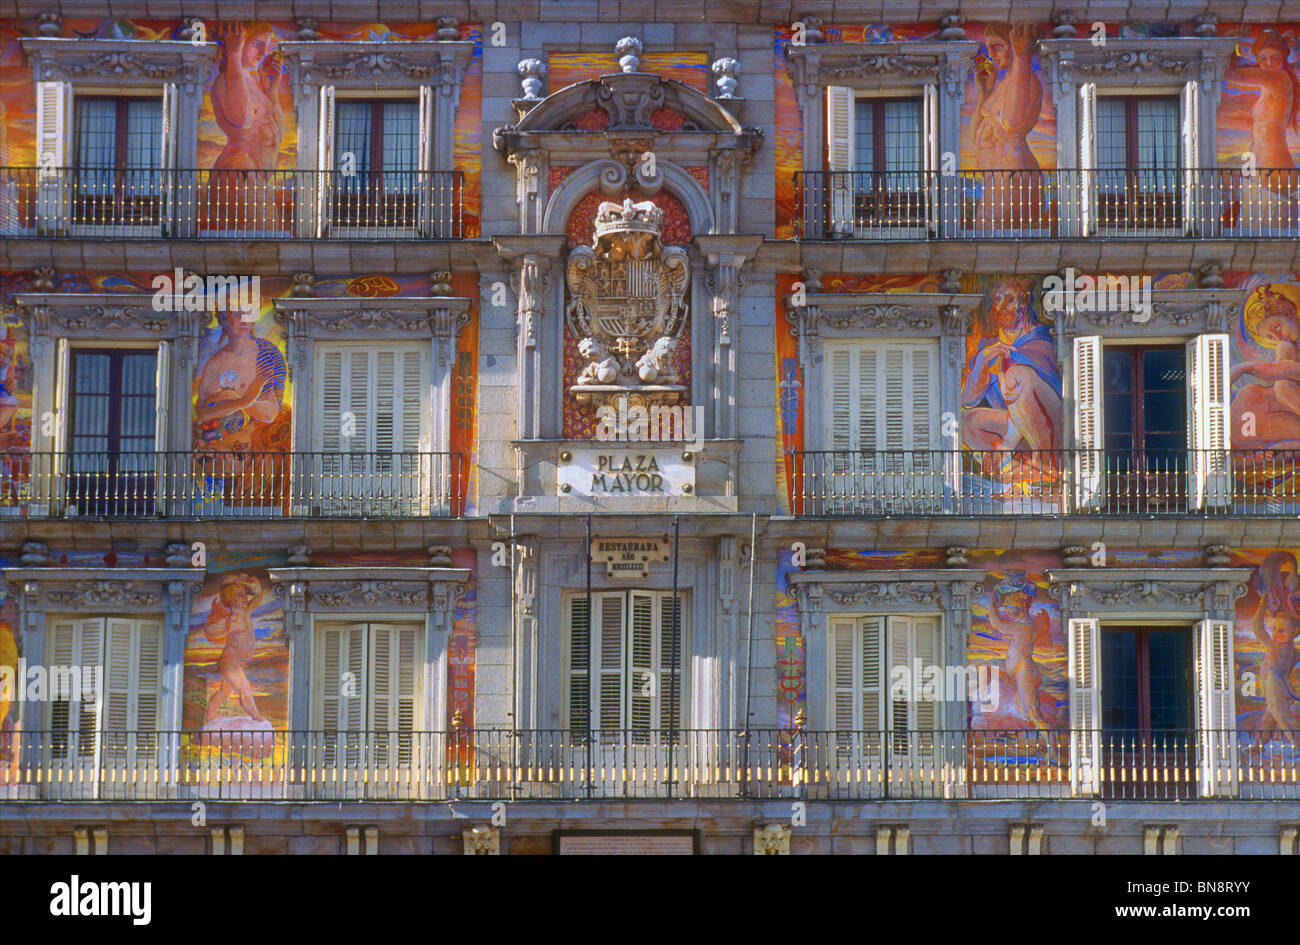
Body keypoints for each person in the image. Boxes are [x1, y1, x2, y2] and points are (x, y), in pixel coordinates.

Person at [962, 278, 1062, 495]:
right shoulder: (991, 345)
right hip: (1015, 431)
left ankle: (1045, 464)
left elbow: (1030, 395)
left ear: (1024, 304)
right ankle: (1009, 475)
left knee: (1019, 375)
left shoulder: (1043, 339)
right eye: (997, 300)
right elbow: (967, 400)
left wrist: (1006, 444)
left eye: (1009, 300)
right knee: (967, 421)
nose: (1001, 308)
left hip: (1051, 430)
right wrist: (982, 361)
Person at [207, 24, 285, 232]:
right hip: (239, 174)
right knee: (263, 247)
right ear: (238, 41)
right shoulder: (226, 80)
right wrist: (233, 53)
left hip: (254, 178)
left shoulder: (249, 80)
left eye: (266, 45)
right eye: (257, 44)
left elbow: (279, 133)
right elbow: (242, 121)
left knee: (268, 243)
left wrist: (271, 90)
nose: (264, 52)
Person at [972, 23, 1045, 231]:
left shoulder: (1027, 80)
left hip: (1014, 173)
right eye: (989, 49)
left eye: (998, 47)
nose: (991, 54)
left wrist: (1022, 57)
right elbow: (978, 135)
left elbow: (1011, 123)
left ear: (1014, 44)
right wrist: (984, 93)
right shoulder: (1002, 85)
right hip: (999, 175)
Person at [193, 308, 286, 453]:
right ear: (224, 320)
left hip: (247, 451)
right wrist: (243, 401)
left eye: (248, 314)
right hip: (212, 450)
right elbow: (202, 413)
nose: (244, 320)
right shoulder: (214, 362)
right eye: (237, 315)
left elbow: (270, 413)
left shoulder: (266, 353)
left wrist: (233, 399)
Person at [1225, 30, 1300, 197]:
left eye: (1275, 57)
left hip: (1275, 168)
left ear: (1283, 57)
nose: (1268, 63)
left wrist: (1226, 48)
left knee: (1266, 222)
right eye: (1263, 58)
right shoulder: (1271, 81)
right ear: (1257, 59)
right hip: (1267, 167)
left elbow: (1231, 74)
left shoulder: (1277, 78)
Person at [1232, 285, 1300, 448]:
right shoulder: (1286, 347)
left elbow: (1282, 380)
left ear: (1288, 311)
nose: (1278, 336)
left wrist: (1245, 368)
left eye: (1277, 327)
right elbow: (1283, 385)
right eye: (1270, 336)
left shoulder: (1287, 347)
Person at [987, 572, 1052, 730]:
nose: (1009, 615)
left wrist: (992, 602)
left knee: (1032, 713)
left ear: (1020, 608)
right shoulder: (1023, 625)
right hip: (1017, 672)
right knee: (986, 671)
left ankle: (1052, 748)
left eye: (1012, 611)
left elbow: (997, 624)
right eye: (1008, 612)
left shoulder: (1025, 627)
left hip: (1023, 671)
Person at [202, 573, 267, 724]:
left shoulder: (247, 611)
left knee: (224, 693)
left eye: (245, 595)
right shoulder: (230, 619)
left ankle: (209, 715)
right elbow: (210, 630)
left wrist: (243, 582)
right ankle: (256, 716)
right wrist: (225, 629)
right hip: (230, 661)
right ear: (230, 597)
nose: (245, 598)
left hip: (240, 663)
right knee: (244, 688)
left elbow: (258, 595)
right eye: (240, 595)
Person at [1250, 552, 1300, 745]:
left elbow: (1257, 628)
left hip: (1275, 682)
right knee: (1269, 718)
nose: (1276, 633)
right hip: (1275, 684)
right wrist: (1262, 604)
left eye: (1281, 630)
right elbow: (1258, 627)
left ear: (1294, 632)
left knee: (1280, 716)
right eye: (1275, 629)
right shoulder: (1278, 646)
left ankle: (1294, 742)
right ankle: (1258, 747)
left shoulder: (1290, 650)